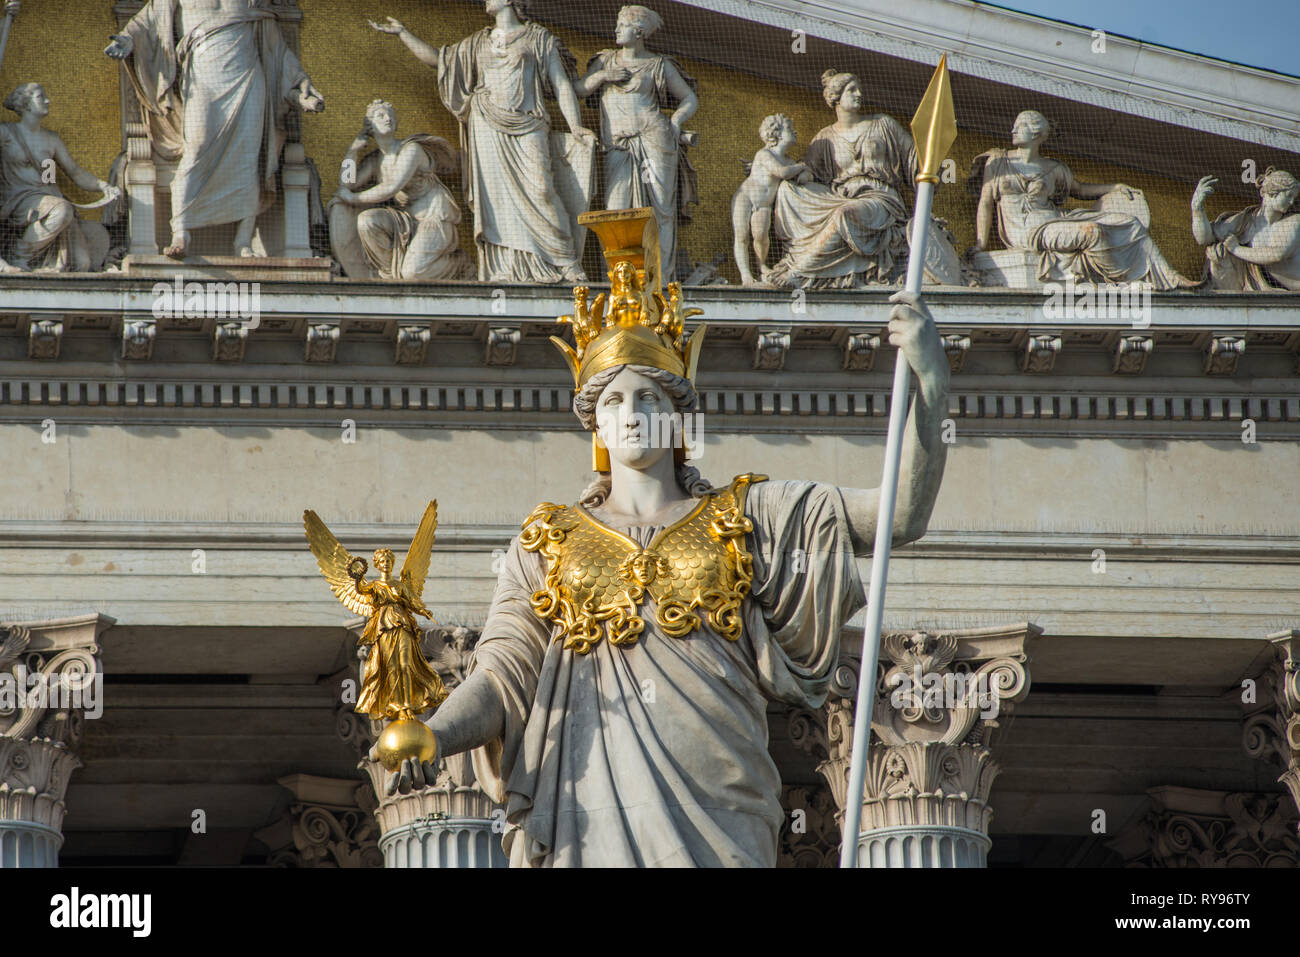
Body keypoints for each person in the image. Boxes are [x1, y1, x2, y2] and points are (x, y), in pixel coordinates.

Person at [375, 210, 952, 867]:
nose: (634, 414)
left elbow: (899, 514)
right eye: (616, 401)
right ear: (595, 423)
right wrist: (435, 730)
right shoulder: (547, 544)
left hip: (723, 809)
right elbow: (503, 675)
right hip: (592, 811)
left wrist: (930, 389)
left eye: (652, 399)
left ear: (679, 420)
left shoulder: (749, 515)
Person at [370, 1, 597, 283]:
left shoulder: (538, 37)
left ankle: (566, 262)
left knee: (542, 190)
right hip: (486, 125)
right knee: (496, 199)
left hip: (528, 124)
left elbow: (561, 83)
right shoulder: (477, 42)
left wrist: (576, 126)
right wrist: (404, 33)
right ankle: (505, 268)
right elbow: (438, 60)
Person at [105, 0, 325, 258]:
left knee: (249, 157)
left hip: (249, 78)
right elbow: (146, 21)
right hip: (202, 76)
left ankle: (243, 241)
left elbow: (273, 42)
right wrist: (128, 41)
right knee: (196, 148)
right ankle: (181, 231)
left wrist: (300, 79)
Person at [973, 109, 1194, 289]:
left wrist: (1115, 186)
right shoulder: (997, 161)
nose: (1013, 130)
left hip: (1056, 220)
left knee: (1130, 223)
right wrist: (981, 244)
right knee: (1093, 232)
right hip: (1030, 232)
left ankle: (1169, 276)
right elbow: (985, 202)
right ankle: (1119, 282)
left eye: (1020, 126)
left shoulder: (1054, 168)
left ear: (1036, 133)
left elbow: (1081, 190)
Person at [574, 5, 698, 281]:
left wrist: (675, 122)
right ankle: (619, 283)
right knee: (616, 210)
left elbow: (689, 98)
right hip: (617, 146)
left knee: (660, 210)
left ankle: (661, 280)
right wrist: (603, 77)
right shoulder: (605, 61)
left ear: (639, 32)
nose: (617, 29)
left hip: (656, 140)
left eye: (623, 25)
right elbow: (578, 89)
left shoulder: (659, 65)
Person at [328, 99, 473, 281]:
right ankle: (388, 275)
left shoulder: (411, 150)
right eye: (380, 116)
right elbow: (347, 183)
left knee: (413, 274)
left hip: (433, 217)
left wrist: (353, 199)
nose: (387, 118)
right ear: (370, 126)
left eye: (391, 116)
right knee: (367, 221)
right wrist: (352, 151)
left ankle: (460, 263)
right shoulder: (375, 160)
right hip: (406, 219)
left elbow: (391, 187)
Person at [0, 83, 119, 271]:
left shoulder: (51, 139)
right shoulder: (6, 133)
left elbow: (75, 172)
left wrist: (103, 186)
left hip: (48, 198)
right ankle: (18, 255)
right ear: (26, 104)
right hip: (18, 199)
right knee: (62, 209)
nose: (47, 100)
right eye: (40, 97)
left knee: (81, 264)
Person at [1191, 168, 1300, 291]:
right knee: (1217, 250)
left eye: (1294, 198)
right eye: (1289, 195)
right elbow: (1205, 239)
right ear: (1272, 192)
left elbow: (1277, 254)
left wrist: (1236, 249)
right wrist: (1197, 209)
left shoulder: (1294, 221)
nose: (1292, 202)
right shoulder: (1244, 222)